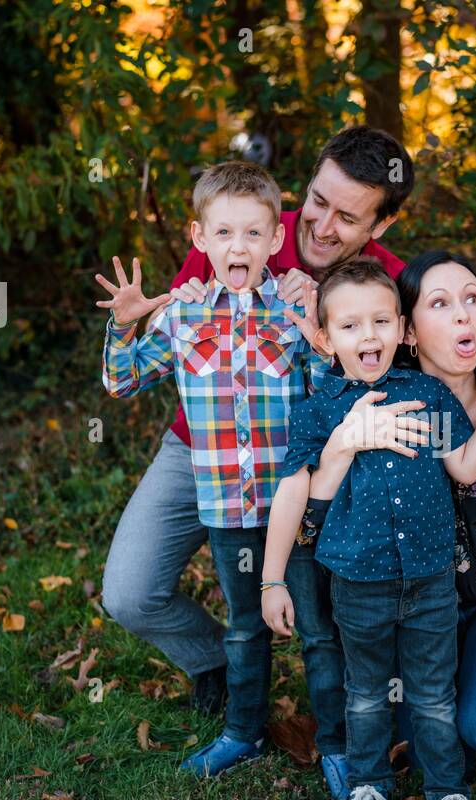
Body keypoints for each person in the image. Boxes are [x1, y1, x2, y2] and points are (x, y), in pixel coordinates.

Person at [99, 126, 413, 721]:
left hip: (316, 460)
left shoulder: (388, 282)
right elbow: (173, 344)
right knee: (130, 593)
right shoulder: (241, 223)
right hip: (207, 452)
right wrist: (132, 322)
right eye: (317, 201)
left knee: (330, 603)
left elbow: (385, 389)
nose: (320, 226)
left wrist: (317, 317)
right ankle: (223, 658)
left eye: (347, 217)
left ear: (380, 226)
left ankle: (361, 683)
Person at [95, 161, 349, 799]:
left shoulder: (292, 314)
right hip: (228, 508)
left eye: (254, 233)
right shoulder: (181, 318)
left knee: (316, 627)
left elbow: (332, 399)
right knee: (244, 624)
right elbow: (121, 380)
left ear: (273, 241)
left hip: (295, 504)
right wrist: (126, 321)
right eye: (225, 233)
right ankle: (243, 731)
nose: (240, 246)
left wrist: (319, 334)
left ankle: (338, 743)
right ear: (199, 238)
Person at [260, 257, 476, 800]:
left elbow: (464, 467)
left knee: (433, 692)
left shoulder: (428, 394)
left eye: (380, 322)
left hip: (430, 578)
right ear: (324, 338)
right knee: (367, 692)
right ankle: (369, 783)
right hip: (358, 582)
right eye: (349, 326)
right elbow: (293, 492)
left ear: (403, 331)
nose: (367, 336)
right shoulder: (319, 410)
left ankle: (447, 792)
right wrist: (273, 579)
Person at [310, 250, 476, 766]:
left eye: (472, 299)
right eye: (441, 303)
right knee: (411, 738)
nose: (463, 314)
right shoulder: (383, 408)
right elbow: (341, 350)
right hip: (413, 604)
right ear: (407, 331)